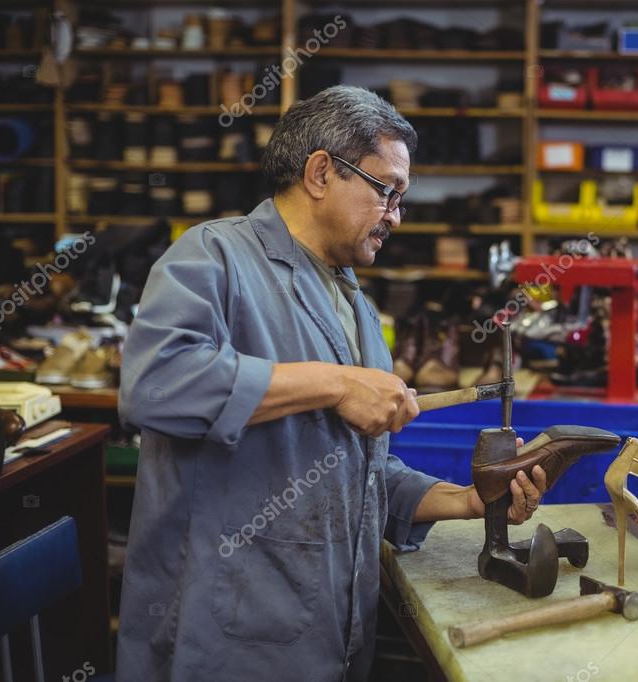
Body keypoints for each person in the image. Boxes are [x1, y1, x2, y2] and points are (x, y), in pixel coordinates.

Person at [114, 85, 547, 681]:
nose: (395, 214)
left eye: (402, 198)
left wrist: (468, 501)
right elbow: (156, 385)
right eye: (386, 190)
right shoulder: (215, 258)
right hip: (222, 639)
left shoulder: (354, 303)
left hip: (330, 635)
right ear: (321, 172)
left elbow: (363, 470)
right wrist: (335, 383)